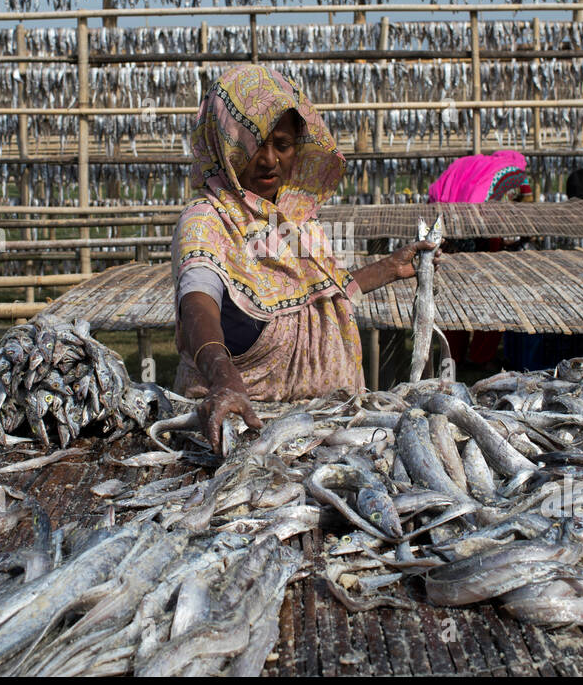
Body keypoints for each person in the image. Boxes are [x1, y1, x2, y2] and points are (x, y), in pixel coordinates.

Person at [172, 64, 439, 451]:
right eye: (252, 145)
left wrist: (390, 268)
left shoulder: (295, 220)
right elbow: (197, 301)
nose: (268, 160)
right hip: (239, 428)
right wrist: (222, 375)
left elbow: (317, 297)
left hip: (325, 429)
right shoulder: (207, 220)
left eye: (282, 145)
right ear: (226, 145)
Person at [428, 150, 532, 368]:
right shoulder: (512, 172)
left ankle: (453, 355)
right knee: (491, 294)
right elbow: (527, 199)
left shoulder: (470, 163)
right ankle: (481, 356)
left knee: (454, 293)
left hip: (449, 226)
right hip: (481, 233)